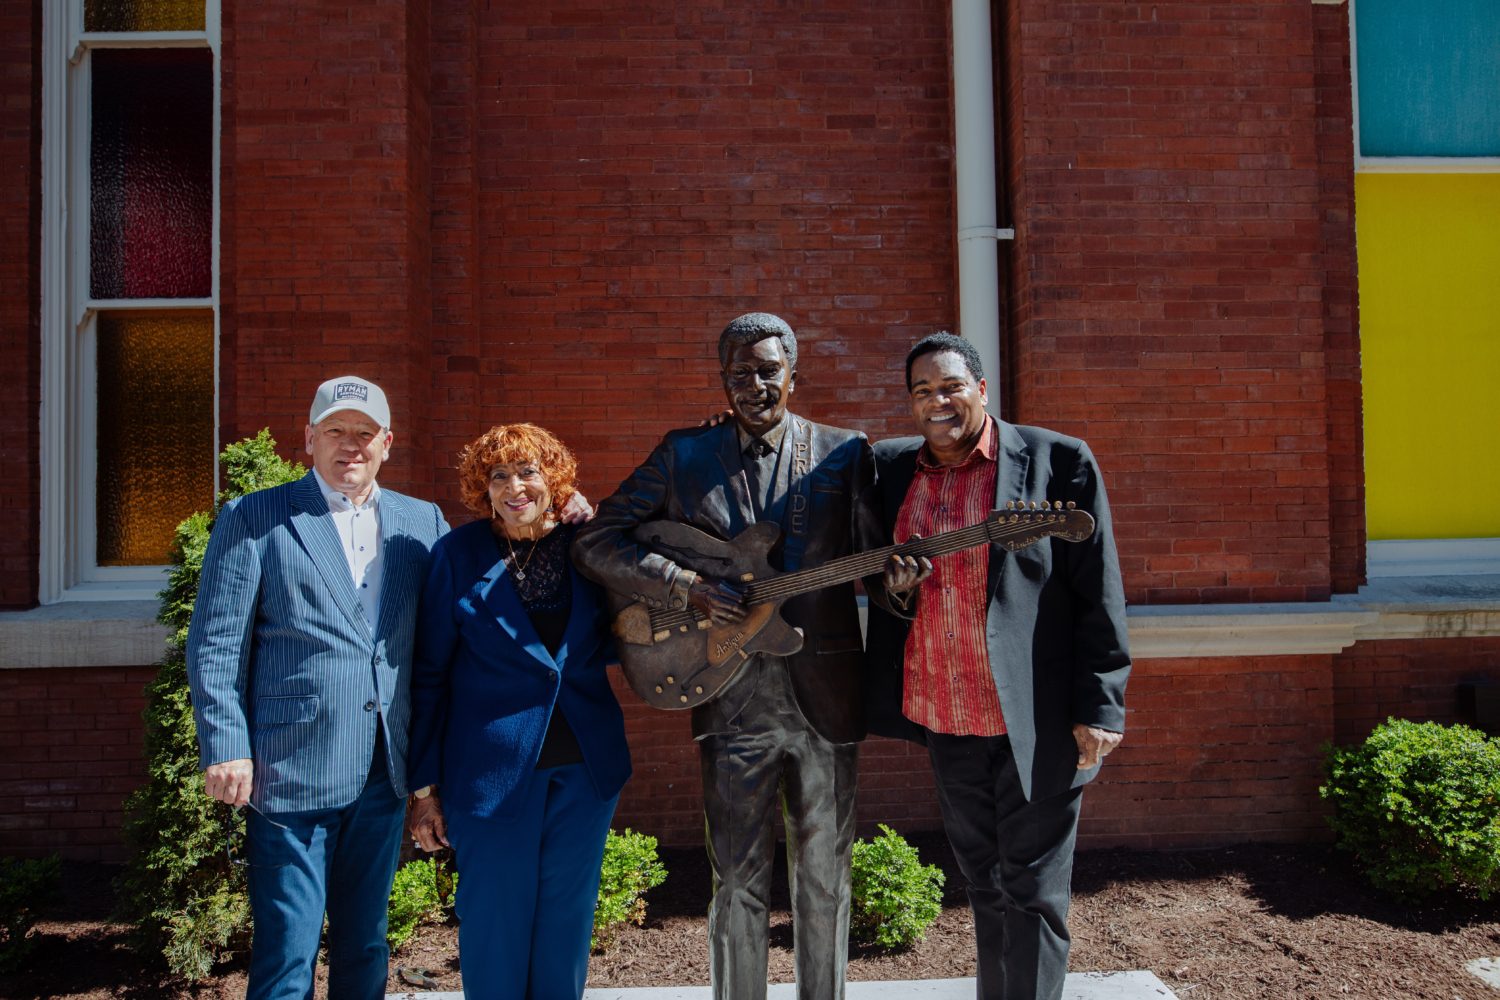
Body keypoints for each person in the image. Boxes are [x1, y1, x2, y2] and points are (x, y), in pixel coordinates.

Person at [573, 312, 913, 1000]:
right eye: (740, 373)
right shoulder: (683, 454)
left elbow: (876, 566)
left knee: (826, 878)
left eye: (768, 370)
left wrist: (898, 585)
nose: (755, 384)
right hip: (726, 693)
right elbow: (597, 541)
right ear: (721, 380)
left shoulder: (845, 452)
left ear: (795, 374)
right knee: (736, 882)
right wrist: (686, 584)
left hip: (825, 693)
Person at [866, 332, 1132, 1000]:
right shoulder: (889, 468)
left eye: (951, 386)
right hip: (945, 718)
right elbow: (868, 568)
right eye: (922, 391)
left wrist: (1101, 704)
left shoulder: (1058, 461)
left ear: (982, 389)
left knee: (1034, 891)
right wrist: (893, 588)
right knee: (984, 884)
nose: (938, 402)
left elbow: (1098, 590)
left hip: (1035, 721)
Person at [187, 374, 450, 1000]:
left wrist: (569, 512)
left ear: (388, 442)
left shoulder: (422, 522)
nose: (350, 445)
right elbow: (217, 642)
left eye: (364, 433)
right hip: (288, 771)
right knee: (288, 949)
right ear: (309, 439)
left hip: (383, 772)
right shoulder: (256, 517)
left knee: (365, 944)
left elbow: (440, 649)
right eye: (336, 431)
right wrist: (225, 743)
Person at [406, 423, 631, 1000]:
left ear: (553, 477)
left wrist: (601, 526)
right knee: (494, 926)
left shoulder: (589, 545)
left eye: (528, 472)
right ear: (482, 488)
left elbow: (635, 616)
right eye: (498, 476)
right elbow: (428, 676)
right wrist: (423, 790)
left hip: (584, 769)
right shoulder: (456, 554)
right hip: (489, 777)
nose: (514, 487)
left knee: (566, 925)